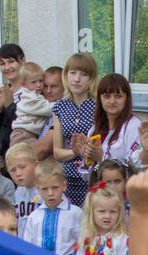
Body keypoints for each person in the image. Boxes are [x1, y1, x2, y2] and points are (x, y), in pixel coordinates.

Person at [49, 53, 99, 206]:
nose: (77, 79)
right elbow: (57, 152)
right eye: (72, 73)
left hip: (93, 177)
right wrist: (75, 152)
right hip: (68, 180)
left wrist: (88, 151)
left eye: (83, 74)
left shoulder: (98, 106)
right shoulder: (59, 107)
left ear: (91, 79)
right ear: (66, 75)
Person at [20, 159, 80, 255]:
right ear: (38, 189)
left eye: (55, 187)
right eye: (44, 189)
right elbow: (28, 245)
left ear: (63, 186)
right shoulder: (34, 216)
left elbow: (83, 242)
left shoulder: (75, 213)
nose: (50, 193)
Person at [84, 74, 140, 167]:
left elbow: (134, 168)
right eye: (107, 96)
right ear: (100, 99)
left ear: (127, 98)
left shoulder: (134, 126)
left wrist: (102, 158)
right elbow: (88, 177)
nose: (112, 101)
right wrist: (86, 157)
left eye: (118, 96)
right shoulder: (94, 130)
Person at [0, 43, 26, 163]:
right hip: (0, 159)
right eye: (2, 63)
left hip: (21, 156)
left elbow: (20, 128)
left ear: (22, 61)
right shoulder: (2, 92)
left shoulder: (32, 91)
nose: (7, 67)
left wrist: (10, 106)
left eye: (11, 61)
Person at [9, 62, 53, 145]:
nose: (38, 85)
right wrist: (63, 104)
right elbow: (47, 109)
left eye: (41, 81)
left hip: (30, 134)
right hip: (23, 135)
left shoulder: (33, 94)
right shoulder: (28, 98)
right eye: (34, 82)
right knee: (35, 152)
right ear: (23, 84)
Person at [5, 142, 41, 219]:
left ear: (36, 165)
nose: (18, 173)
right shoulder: (18, 192)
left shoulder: (47, 189)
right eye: (12, 170)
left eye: (22, 167)